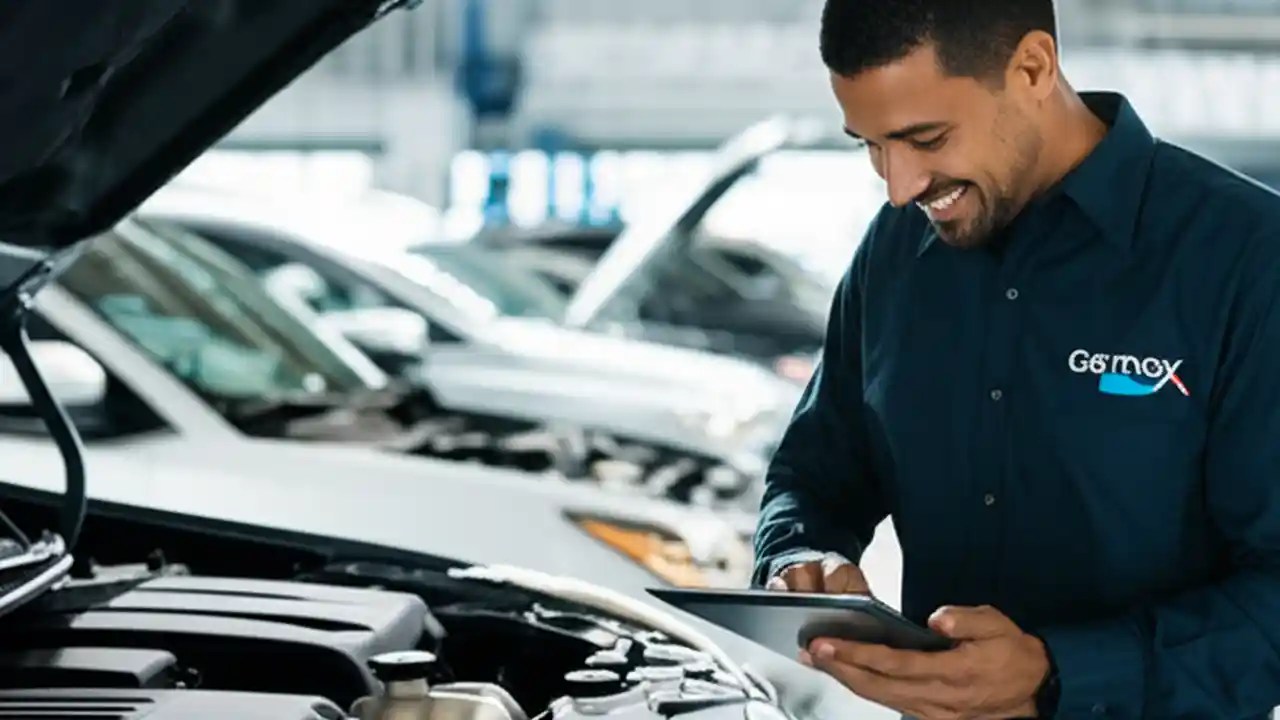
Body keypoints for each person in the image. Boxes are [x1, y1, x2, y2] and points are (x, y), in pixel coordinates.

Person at [753, 0, 1280, 718]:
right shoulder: (893, 252)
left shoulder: (1246, 260)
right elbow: (813, 476)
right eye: (870, 145)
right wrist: (797, 558)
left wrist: (1059, 675)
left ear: (1032, 67)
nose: (899, 185)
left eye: (925, 138)